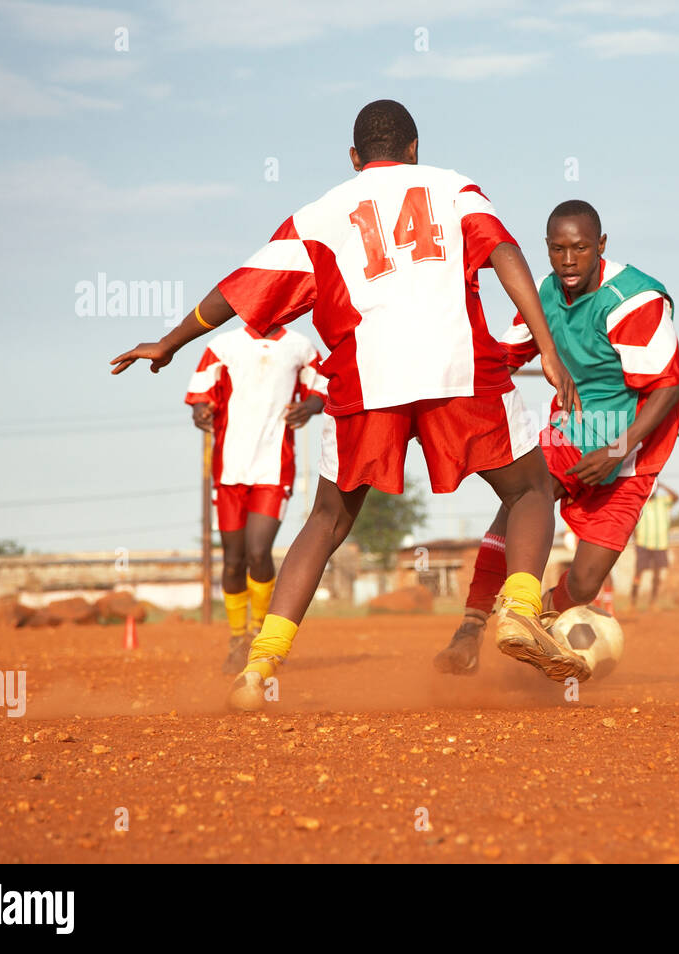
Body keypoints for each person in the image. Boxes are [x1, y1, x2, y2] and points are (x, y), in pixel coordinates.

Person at [111, 100, 581, 710]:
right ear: (415, 148)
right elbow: (505, 253)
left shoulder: (319, 213)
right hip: (457, 369)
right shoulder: (454, 187)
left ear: (355, 159)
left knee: (327, 520)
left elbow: (241, 285)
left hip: (366, 379)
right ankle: (520, 608)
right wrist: (546, 348)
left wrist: (171, 342)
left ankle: (259, 667)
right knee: (528, 491)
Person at [434, 199, 679, 678]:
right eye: (557, 249)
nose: (569, 261)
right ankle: (470, 629)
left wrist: (615, 451)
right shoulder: (546, 294)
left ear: (601, 246)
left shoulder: (634, 300)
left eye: (580, 248)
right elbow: (505, 354)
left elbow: (668, 388)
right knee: (525, 494)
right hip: (573, 428)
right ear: (547, 250)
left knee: (587, 582)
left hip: (632, 448)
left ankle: (535, 624)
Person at [184, 325, 327, 673]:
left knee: (259, 552)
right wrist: (200, 411)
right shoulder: (222, 344)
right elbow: (200, 394)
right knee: (233, 560)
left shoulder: (300, 346)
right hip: (230, 470)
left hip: (274, 469)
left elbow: (321, 388)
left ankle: (256, 633)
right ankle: (236, 637)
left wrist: (308, 407)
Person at [631, 480, 679, 611]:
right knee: (638, 573)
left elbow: (676, 497)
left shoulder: (662, 502)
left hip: (660, 544)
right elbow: (634, 526)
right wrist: (636, 540)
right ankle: (633, 602)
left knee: (657, 575)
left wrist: (662, 485)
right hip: (643, 544)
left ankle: (653, 602)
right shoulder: (641, 504)